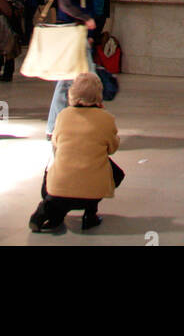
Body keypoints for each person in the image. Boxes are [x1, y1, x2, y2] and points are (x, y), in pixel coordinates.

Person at [29, 72, 121, 233]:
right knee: (111, 170)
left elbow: (56, 144)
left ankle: (51, 210)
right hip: (92, 190)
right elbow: (112, 149)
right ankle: (90, 214)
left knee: (56, 162)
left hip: (57, 189)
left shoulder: (63, 116)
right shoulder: (107, 118)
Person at [46, 0, 105, 137]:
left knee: (74, 79)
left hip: (79, 33)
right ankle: (58, 125)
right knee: (77, 79)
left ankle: (61, 125)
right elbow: (64, 1)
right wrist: (85, 18)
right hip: (73, 32)